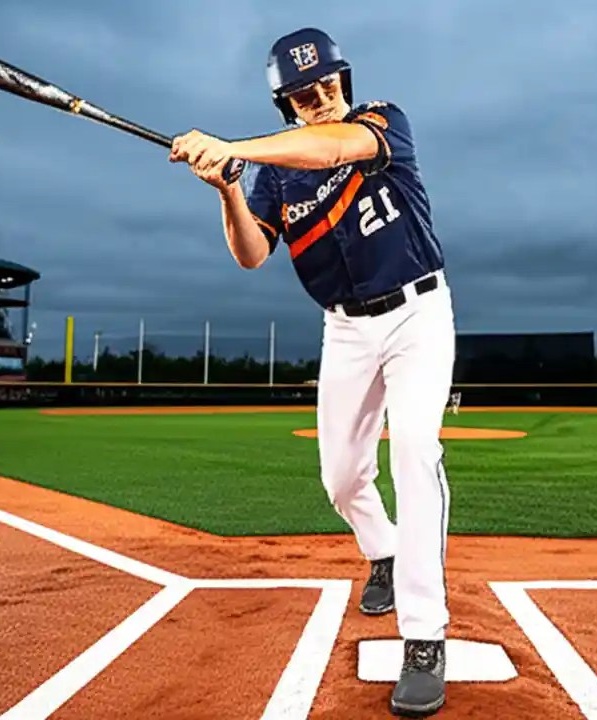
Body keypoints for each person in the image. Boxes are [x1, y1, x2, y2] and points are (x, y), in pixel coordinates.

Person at [168, 27, 454, 717]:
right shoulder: (274, 174)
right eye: (303, 92)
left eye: (327, 84)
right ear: (286, 103)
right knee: (341, 478)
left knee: (415, 449)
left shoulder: (382, 122)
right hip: (345, 328)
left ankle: (424, 636)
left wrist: (231, 144)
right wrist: (228, 188)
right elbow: (250, 255)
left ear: (343, 83)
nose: (319, 97)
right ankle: (381, 551)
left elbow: (336, 146)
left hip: (418, 312)